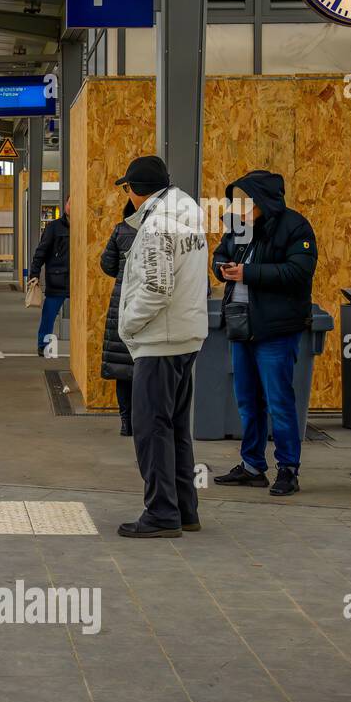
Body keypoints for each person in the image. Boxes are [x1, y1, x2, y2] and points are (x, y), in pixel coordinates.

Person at [114, 156, 209, 539]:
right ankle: (185, 509)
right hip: (185, 337)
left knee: (150, 429)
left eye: (127, 189)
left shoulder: (156, 227)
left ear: (136, 191)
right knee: (174, 428)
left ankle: (161, 513)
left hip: (159, 340)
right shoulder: (187, 213)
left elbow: (156, 288)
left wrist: (128, 325)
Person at [211, 170, 318, 497]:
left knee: (278, 400)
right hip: (241, 326)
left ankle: (288, 469)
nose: (239, 206)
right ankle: (253, 466)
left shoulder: (295, 227)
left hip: (276, 329)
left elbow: (298, 272)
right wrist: (222, 268)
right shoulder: (239, 227)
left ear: (263, 201)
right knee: (247, 400)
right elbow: (219, 254)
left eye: (246, 200)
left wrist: (248, 273)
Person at [99, 200, 137, 435]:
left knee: (123, 369)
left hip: (122, 301)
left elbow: (107, 264)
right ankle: (144, 420)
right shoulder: (164, 228)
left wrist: (123, 273)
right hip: (150, 306)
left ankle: (126, 422)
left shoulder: (121, 229)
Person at [30, 198, 70, 356]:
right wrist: (34, 273)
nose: (71, 206)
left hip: (78, 281)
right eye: (69, 202)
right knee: (49, 316)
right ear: (65, 205)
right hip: (57, 279)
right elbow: (41, 252)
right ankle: (45, 346)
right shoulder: (53, 227)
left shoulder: (84, 226)